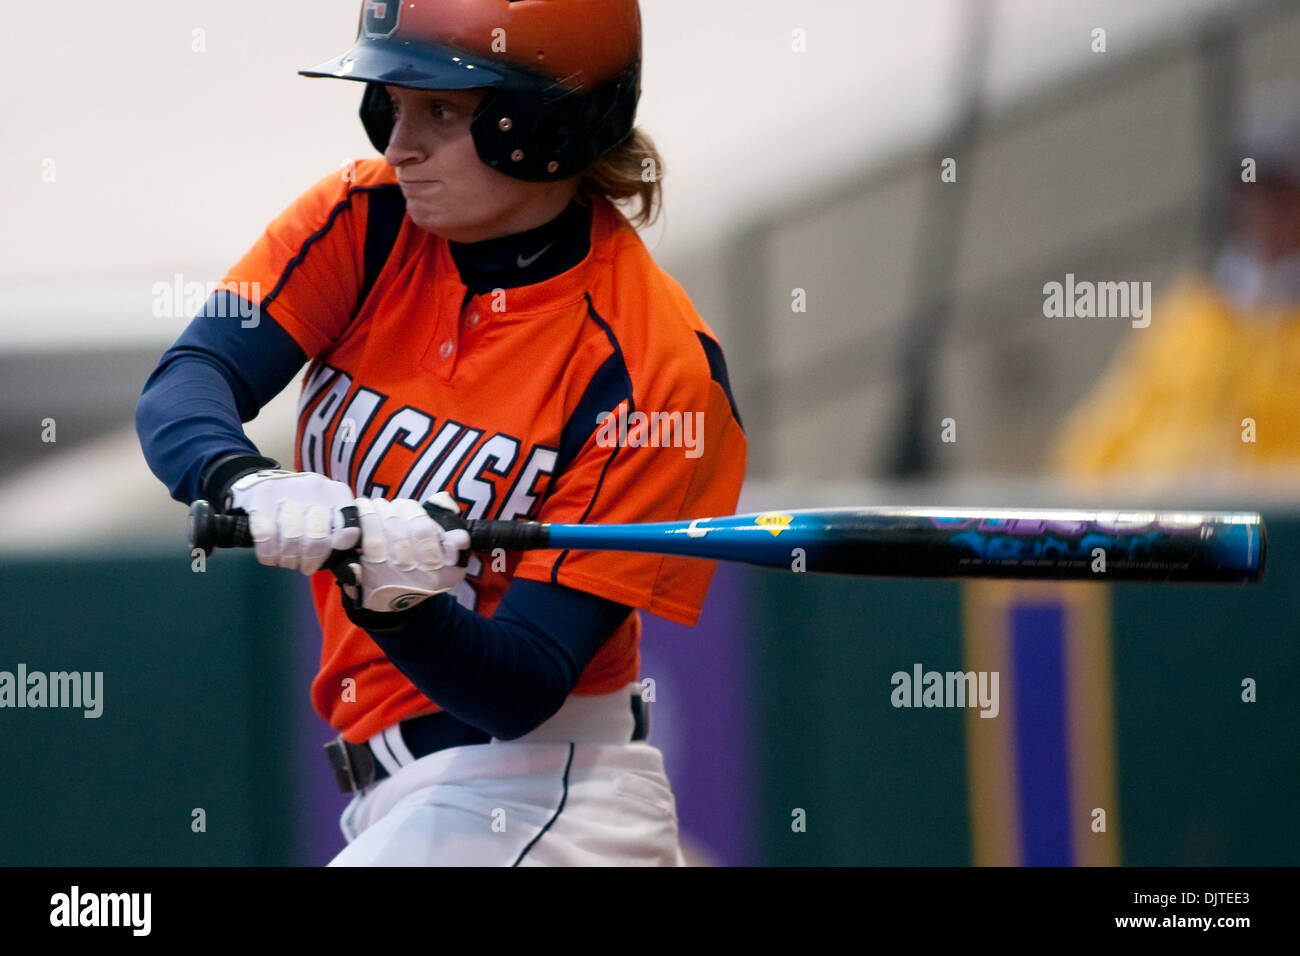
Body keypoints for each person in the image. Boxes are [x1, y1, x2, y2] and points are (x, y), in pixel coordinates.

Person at [135, 0, 747, 866]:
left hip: (541, 793)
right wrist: (246, 479)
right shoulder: (366, 220)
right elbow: (186, 382)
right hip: (398, 801)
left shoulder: (655, 370)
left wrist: (401, 603)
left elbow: (523, 684)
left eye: (444, 112)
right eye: (393, 105)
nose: (399, 146)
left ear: (550, 124)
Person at [1050, 92, 1300, 480]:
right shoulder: (1188, 317)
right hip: (1163, 527)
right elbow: (1094, 443)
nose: (1265, 209)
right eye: (1254, 190)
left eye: (1282, 193)